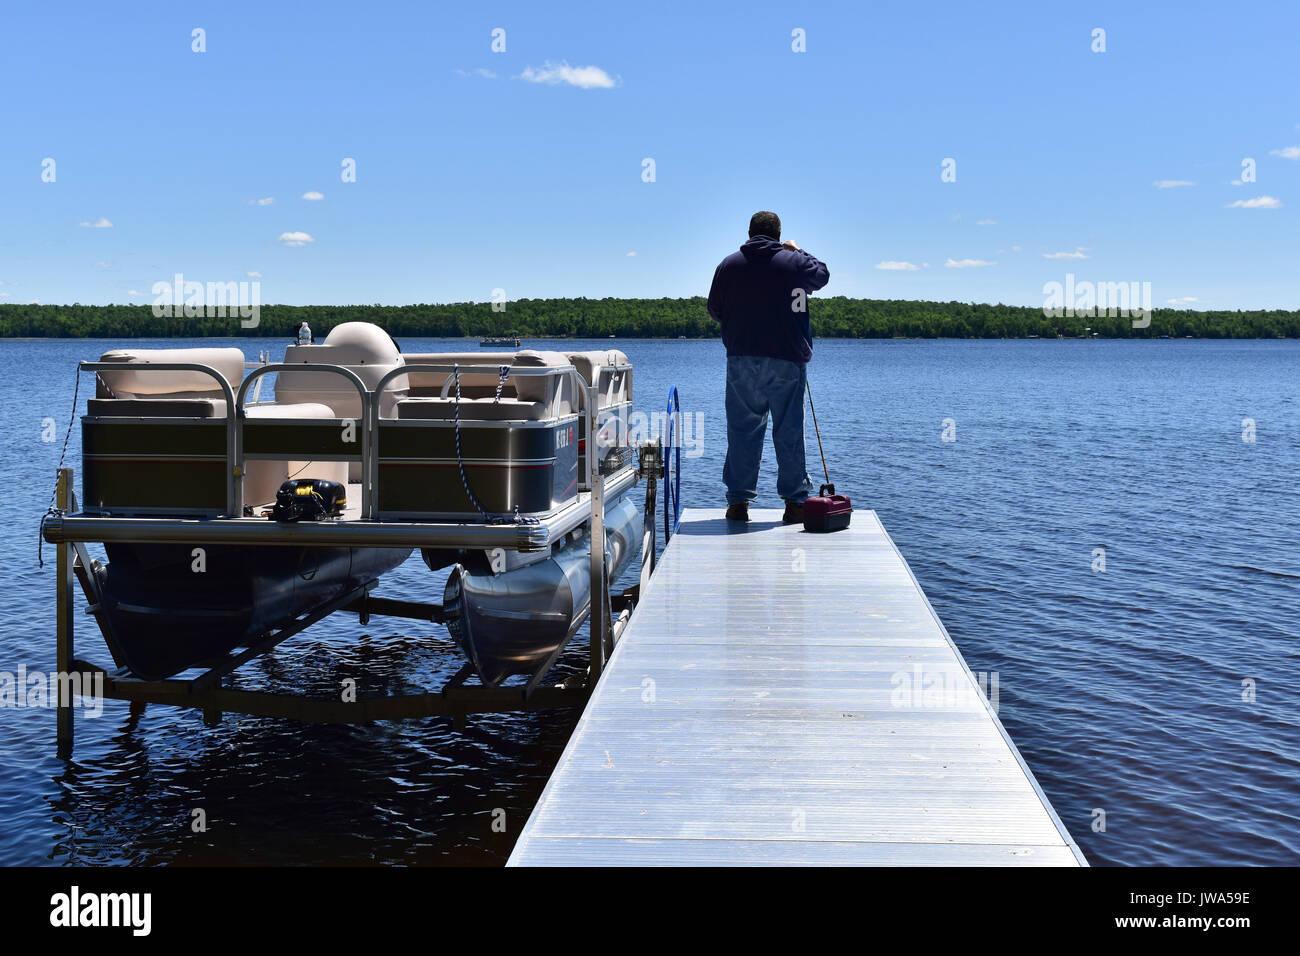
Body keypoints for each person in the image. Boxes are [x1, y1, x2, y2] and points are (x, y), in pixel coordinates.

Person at [707, 210, 829, 523]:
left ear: (749, 233)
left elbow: (715, 309)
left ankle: (738, 503)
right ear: (778, 235)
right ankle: (794, 503)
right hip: (786, 359)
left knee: (742, 432)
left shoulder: (729, 265)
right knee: (788, 431)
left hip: (741, 360)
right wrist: (798, 250)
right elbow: (822, 276)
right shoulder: (792, 261)